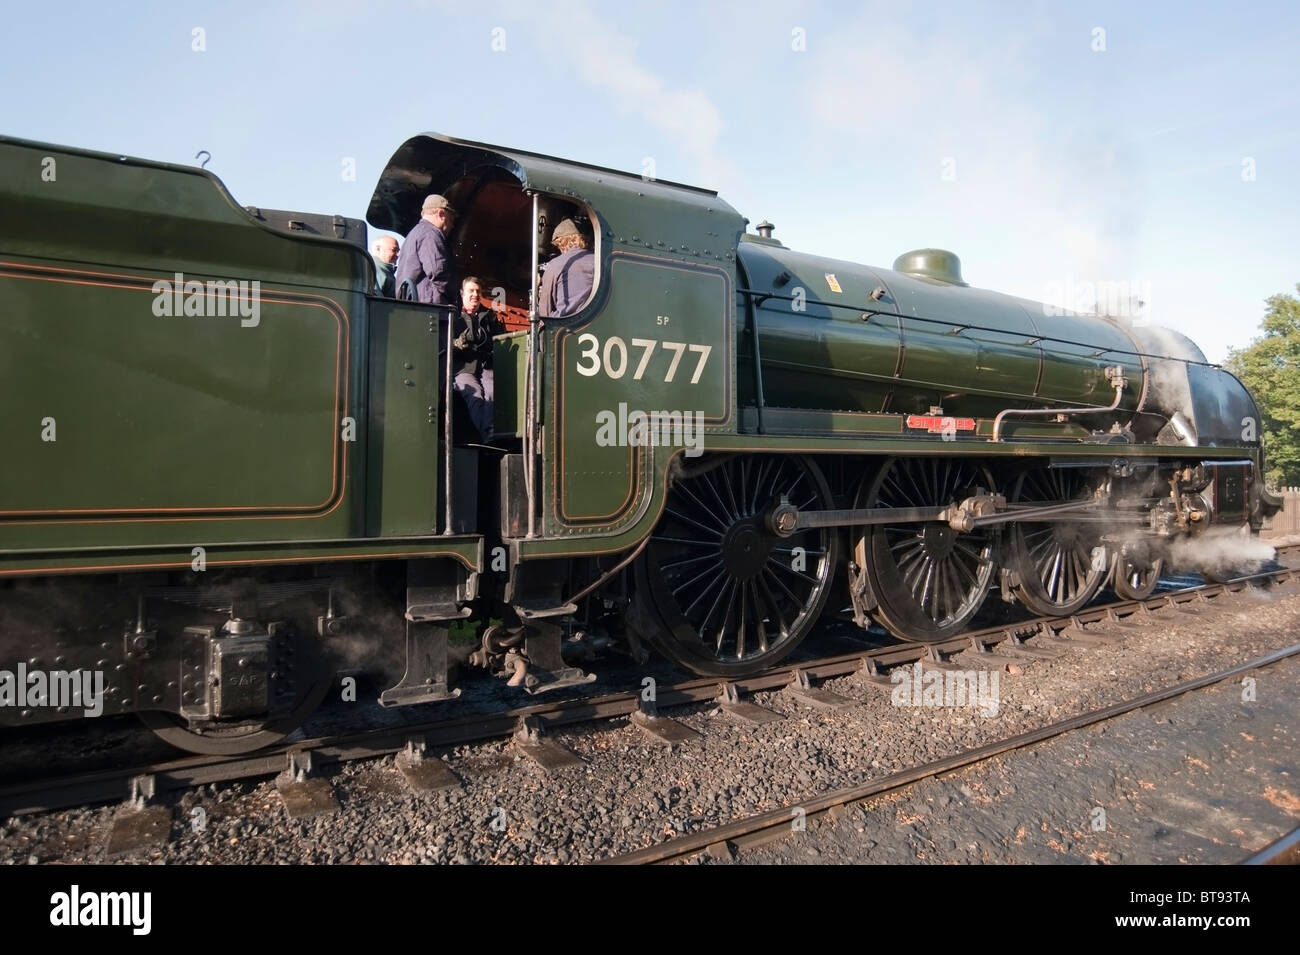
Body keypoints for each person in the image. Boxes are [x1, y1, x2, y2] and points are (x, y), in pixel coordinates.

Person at [452, 276, 504, 441]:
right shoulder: (453, 316)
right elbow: (443, 341)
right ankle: (487, 434)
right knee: (475, 396)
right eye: (471, 291)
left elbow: (499, 338)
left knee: (492, 392)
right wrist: (456, 343)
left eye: (478, 291)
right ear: (462, 293)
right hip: (463, 367)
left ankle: (490, 432)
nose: (475, 294)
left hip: (485, 365)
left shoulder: (489, 316)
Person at [394, 194, 457, 305]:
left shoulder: (414, 233)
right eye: (451, 220)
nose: (452, 226)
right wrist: (455, 296)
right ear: (441, 214)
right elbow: (438, 271)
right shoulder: (430, 234)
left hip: (412, 306)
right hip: (429, 308)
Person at [538, 218, 594, 318]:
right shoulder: (598, 261)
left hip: (565, 326)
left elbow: (544, 312)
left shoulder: (555, 264)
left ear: (561, 242)